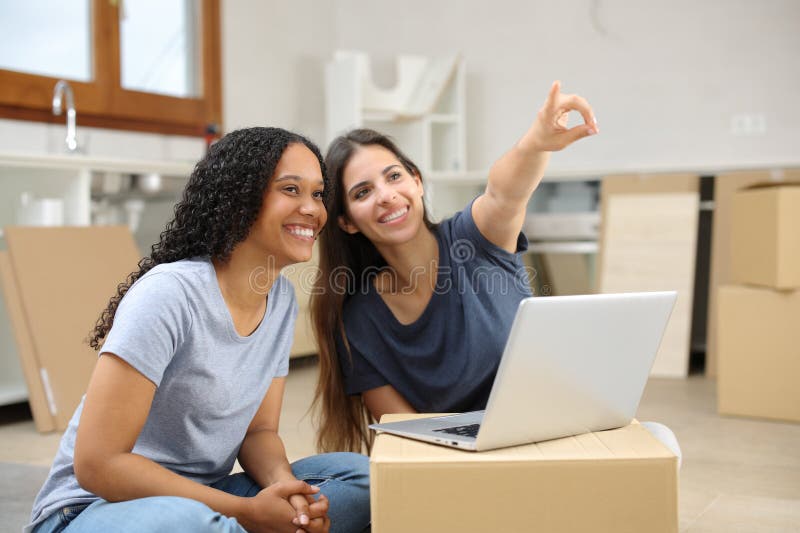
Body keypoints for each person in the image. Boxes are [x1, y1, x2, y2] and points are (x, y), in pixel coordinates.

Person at [310, 81, 682, 465]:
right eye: (362, 192)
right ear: (347, 222)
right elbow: (405, 431)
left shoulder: (474, 237)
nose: (386, 195)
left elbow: (504, 193)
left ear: (417, 182)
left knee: (659, 440)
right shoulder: (361, 318)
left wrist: (535, 144)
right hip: (461, 464)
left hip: (553, 431)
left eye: (393, 177)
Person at [27, 127, 371, 533]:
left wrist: (286, 491)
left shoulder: (278, 301)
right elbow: (98, 465)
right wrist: (244, 512)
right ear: (239, 196)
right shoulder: (169, 294)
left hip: (204, 496)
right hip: (93, 509)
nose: (312, 209)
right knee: (198, 525)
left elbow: (258, 431)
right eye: (291, 189)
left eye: (317, 194)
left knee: (364, 478)